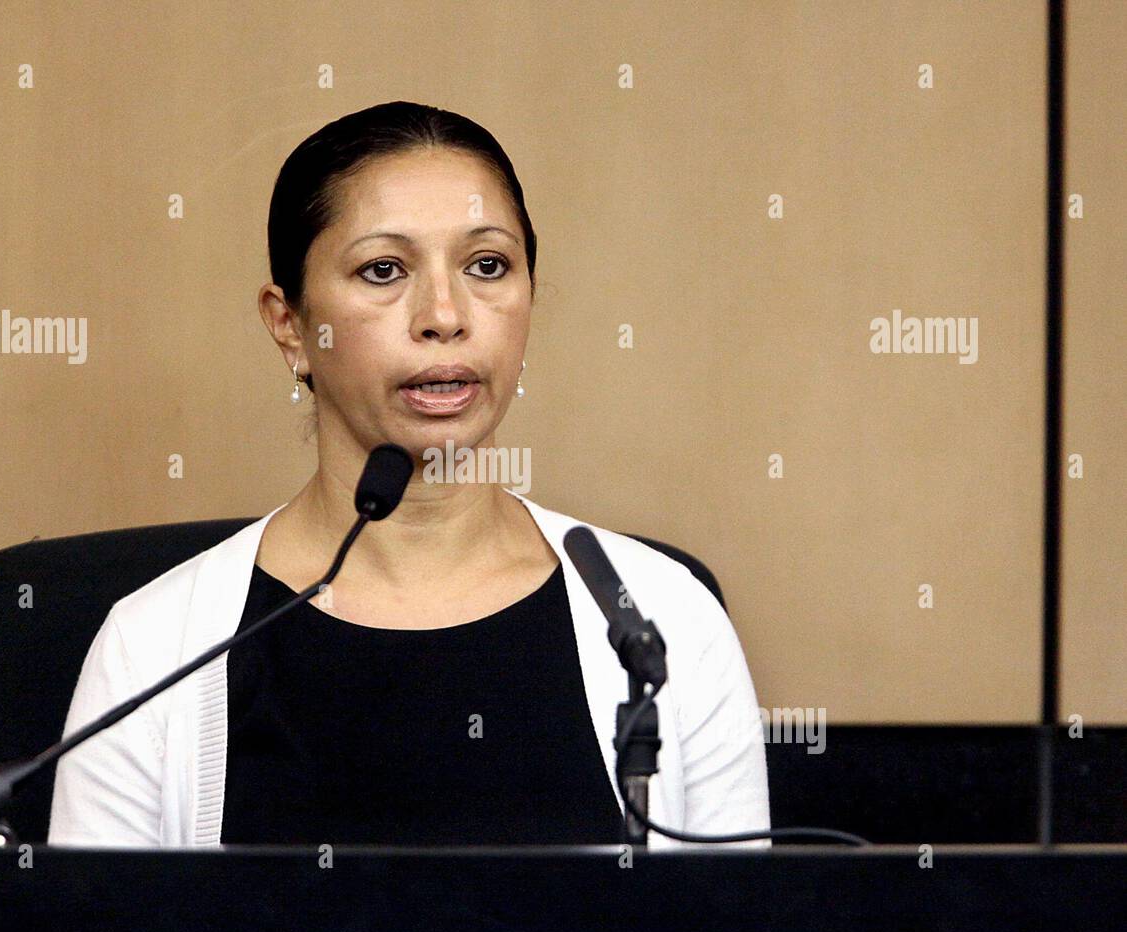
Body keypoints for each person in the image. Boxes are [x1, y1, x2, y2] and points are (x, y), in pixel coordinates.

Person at [48, 100, 770, 849]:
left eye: (487, 266)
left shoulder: (663, 627)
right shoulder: (155, 649)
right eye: (384, 270)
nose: (444, 315)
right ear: (289, 323)